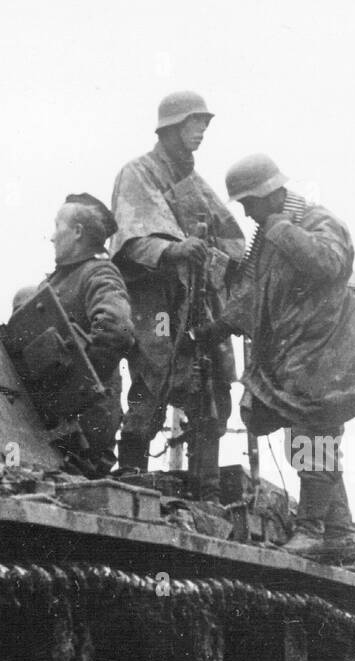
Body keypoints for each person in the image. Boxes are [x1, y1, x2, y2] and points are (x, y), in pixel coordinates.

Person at [204, 153, 355, 563]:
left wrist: (281, 228)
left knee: (315, 434)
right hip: (301, 355)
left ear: (271, 195)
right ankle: (338, 533)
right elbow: (255, 292)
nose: (248, 214)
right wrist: (219, 327)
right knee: (307, 436)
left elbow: (330, 264)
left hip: (330, 352)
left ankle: (312, 530)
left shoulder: (316, 222)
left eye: (250, 204)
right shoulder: (270, 236)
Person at [108, 91, 245, 499]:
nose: (201, 130)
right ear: (171, 126)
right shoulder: (138, 172)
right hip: (155, 302)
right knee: (151, 383)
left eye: (205, 124)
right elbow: (129, 238)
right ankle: (131, 473)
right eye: (194, 122)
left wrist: (215, 261)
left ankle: (206, 489)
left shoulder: (197, 185)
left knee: (210, 390)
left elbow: (233, 242)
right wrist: (171, 249)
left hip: (199, 303)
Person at [19, 193, 134, 474]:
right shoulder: (58, 280)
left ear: (78, 232)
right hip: (52, 424)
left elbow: (117, 329)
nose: (52, 236)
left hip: (81, 429)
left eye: (58, 226)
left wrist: (74, 386)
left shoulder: (98, 273)